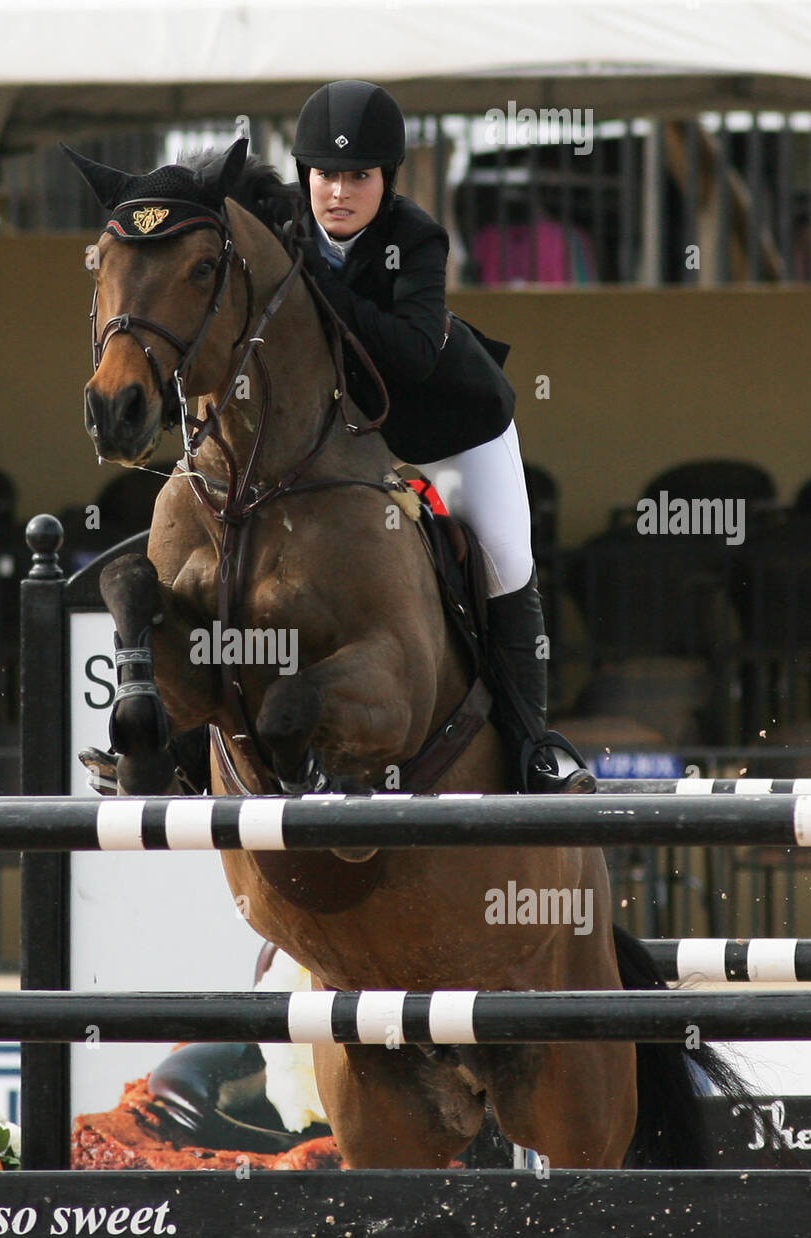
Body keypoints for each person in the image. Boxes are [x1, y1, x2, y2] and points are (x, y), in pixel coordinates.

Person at [287, 79, 594, 793]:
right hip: (349, 443)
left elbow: (412, 353)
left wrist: (317, 289)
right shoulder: (281, 236)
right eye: (325, 175)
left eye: (357, 177)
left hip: (449, 431)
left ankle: (531, 749)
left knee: (503, 562)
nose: (337, 192)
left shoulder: (413, 238)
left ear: (384, 181)